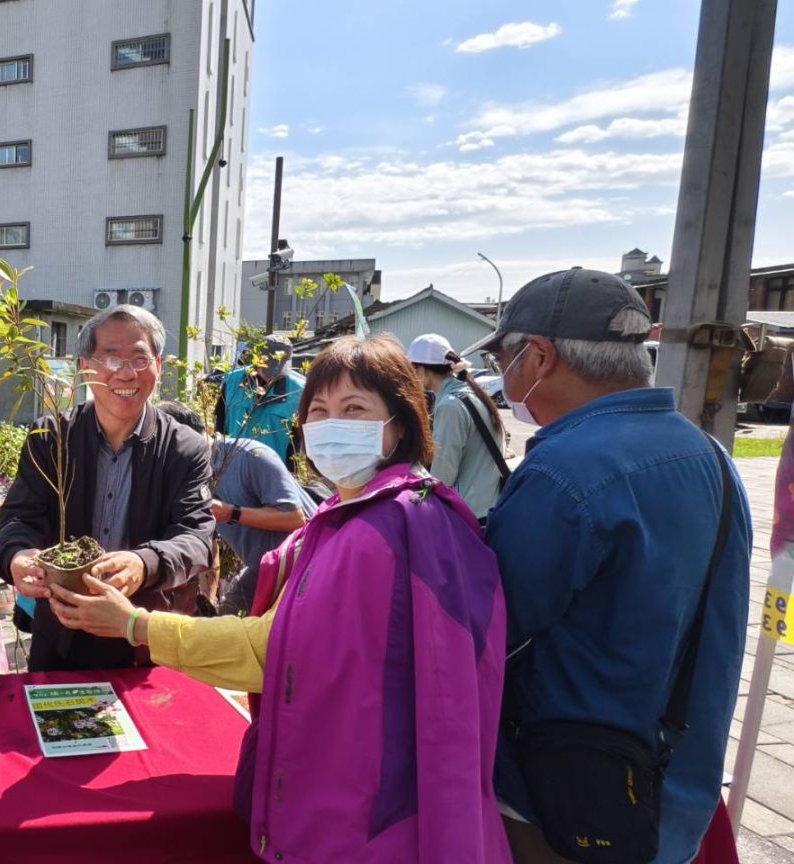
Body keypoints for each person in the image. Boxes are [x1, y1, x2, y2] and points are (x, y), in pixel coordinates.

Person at [49, 336, 510, 862]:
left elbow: (274, 653)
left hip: (358, 809)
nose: (332, 425)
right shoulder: (379, 510)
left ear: (399, 425)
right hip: (382, 790)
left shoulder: (377, 532)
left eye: (354, 409)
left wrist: (137, 625)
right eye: (318, 410)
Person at [472, 269, 751, 863]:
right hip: (671, 792)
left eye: (503, 356)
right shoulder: (710, 456)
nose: (502, 374)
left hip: (567, 796)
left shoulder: (563, 473)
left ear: (539, 356)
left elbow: (491, 629)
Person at [0, 304, 214, 672]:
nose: (126, 374)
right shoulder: (50, 438)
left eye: (140, 359)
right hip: (60, 630)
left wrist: (144, 564)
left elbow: (197, 536)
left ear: (158, 367)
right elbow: (19, 516)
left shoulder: (184, 448)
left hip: (142, 635)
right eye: (111, 360)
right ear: (86, 368)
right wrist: (17, 556)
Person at [157, 401, 314, 616]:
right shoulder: (191, 476)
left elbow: (296, 518)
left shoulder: (251, 456)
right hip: (262, 569)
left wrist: (232, 512)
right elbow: (209, 546)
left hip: (306, 566)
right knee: (221, 628)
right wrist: (208, 597)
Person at [407, 332, 507, 519]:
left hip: (471, 512)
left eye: (411, 370)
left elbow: (444, 472)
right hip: (490, 503)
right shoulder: (469, 392)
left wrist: (419, 496)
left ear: (421, 370)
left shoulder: (450, 405)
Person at [213, 332, 305, 462]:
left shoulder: (298, 390)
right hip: (232, 466)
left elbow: (299, 440)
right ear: (258, 358)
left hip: (274, 471)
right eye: (268, 365)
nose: (273, 373)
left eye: (279, 366)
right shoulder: (232, 381)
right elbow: (220, 423)